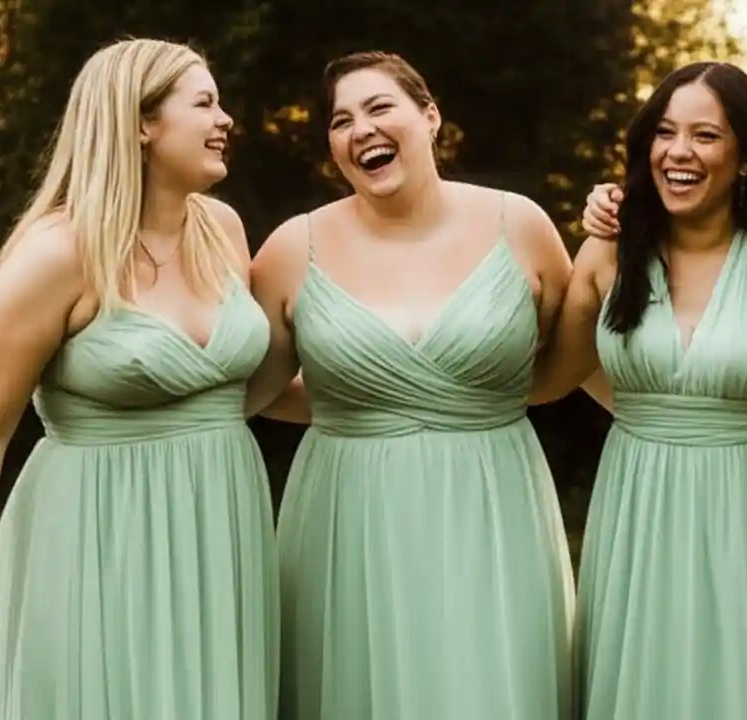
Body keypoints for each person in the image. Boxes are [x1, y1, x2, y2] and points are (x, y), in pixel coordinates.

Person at [0, 39, 278, 718]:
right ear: (141, 123)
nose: (226, 118)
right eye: (205, 103)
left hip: (222, 526)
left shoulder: (224, 230)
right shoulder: (55, 257)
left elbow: (242, 388)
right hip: (96, 532)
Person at [245, 51, 576, 719]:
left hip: (494, 508)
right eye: (341, 120)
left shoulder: (522, 226)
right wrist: (358, 410)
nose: (359, 128)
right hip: (345, 516)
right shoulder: (290, 249)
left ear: (430, 117)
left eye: (378, 107)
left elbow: (571, 366)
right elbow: (244, 387)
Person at [536, 61, 747, 719]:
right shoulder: (608, 251)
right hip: (641, 497)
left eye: (705, 135)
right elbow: (552, 376)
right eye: (665, 132)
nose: (679, 151)